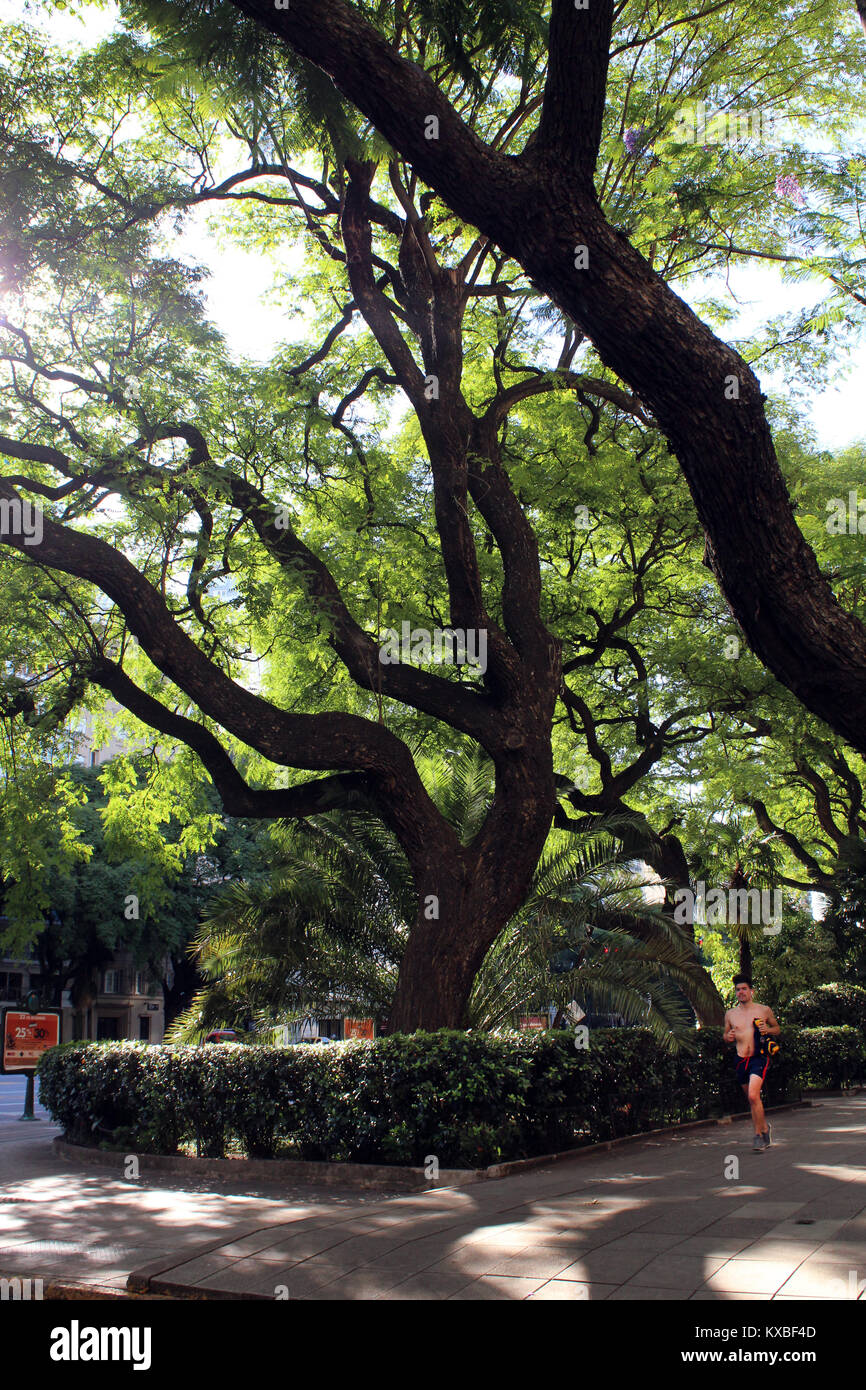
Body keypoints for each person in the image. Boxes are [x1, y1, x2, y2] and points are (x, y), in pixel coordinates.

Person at [722, 974, 780, 1151]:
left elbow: (777, 1029)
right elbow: (725, 1035)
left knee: (754, 1096)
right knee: (752, 1099)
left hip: (758, 1057)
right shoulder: (730, 1014)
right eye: (738, 989)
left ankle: (757, 1136)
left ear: (751, 991)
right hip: (741, 1059)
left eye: (744, 989)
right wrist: (728, 1037)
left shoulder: (763, 1010)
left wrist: (767, 1029)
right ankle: (764, 1129)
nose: (741, 992)